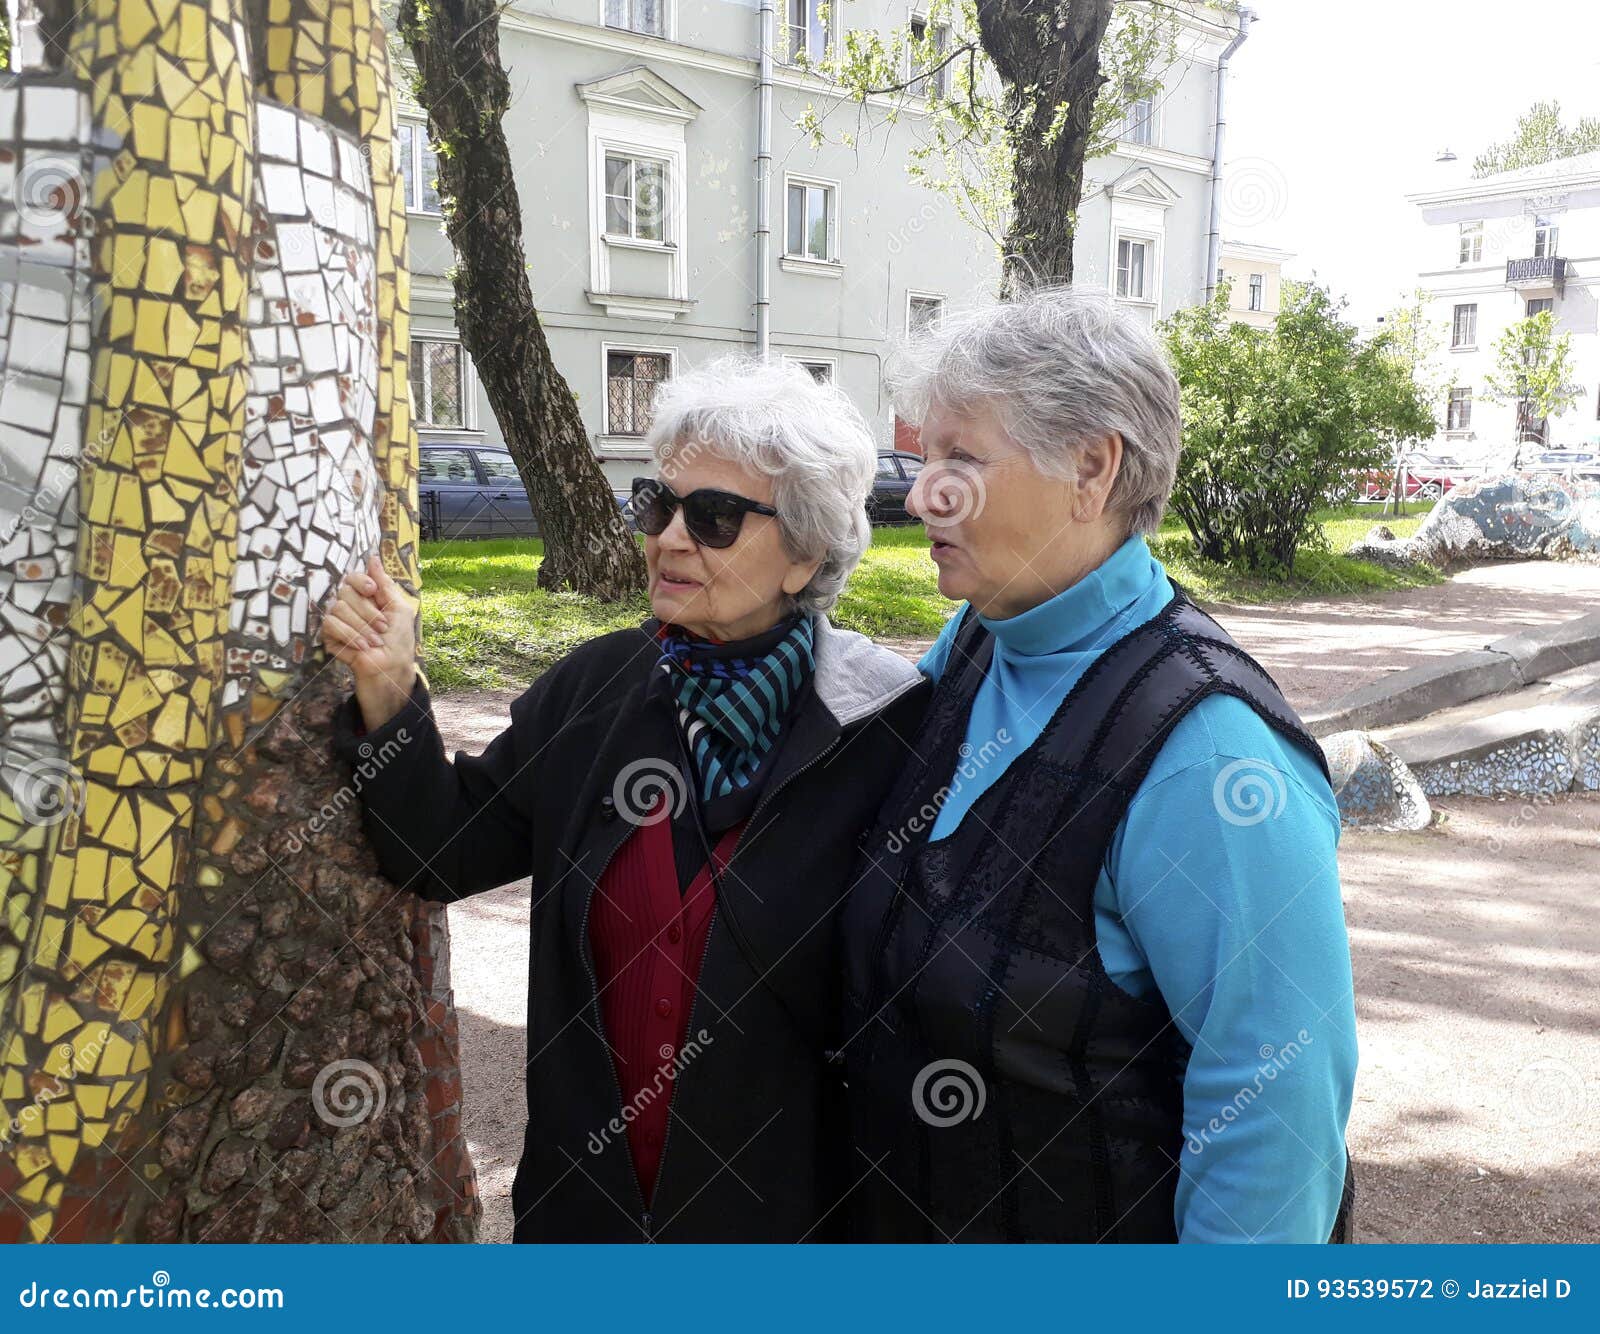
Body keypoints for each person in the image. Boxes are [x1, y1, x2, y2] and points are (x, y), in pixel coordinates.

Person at [323, 357, 926, 1242]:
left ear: (804, 554)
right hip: (588, 1215)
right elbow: (440, 849)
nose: (670, 538)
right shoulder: (599, 691)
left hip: (791, 1230)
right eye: (659, 505)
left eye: (715, 518)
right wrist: (389, 690)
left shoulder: (886, 725)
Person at [840, 288, 1358, 1243]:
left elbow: (1276, 1122)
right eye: (923, 458)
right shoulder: (978, 645)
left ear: (1091, 466)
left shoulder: (1209, 752)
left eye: (959, 458)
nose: (920, 494)